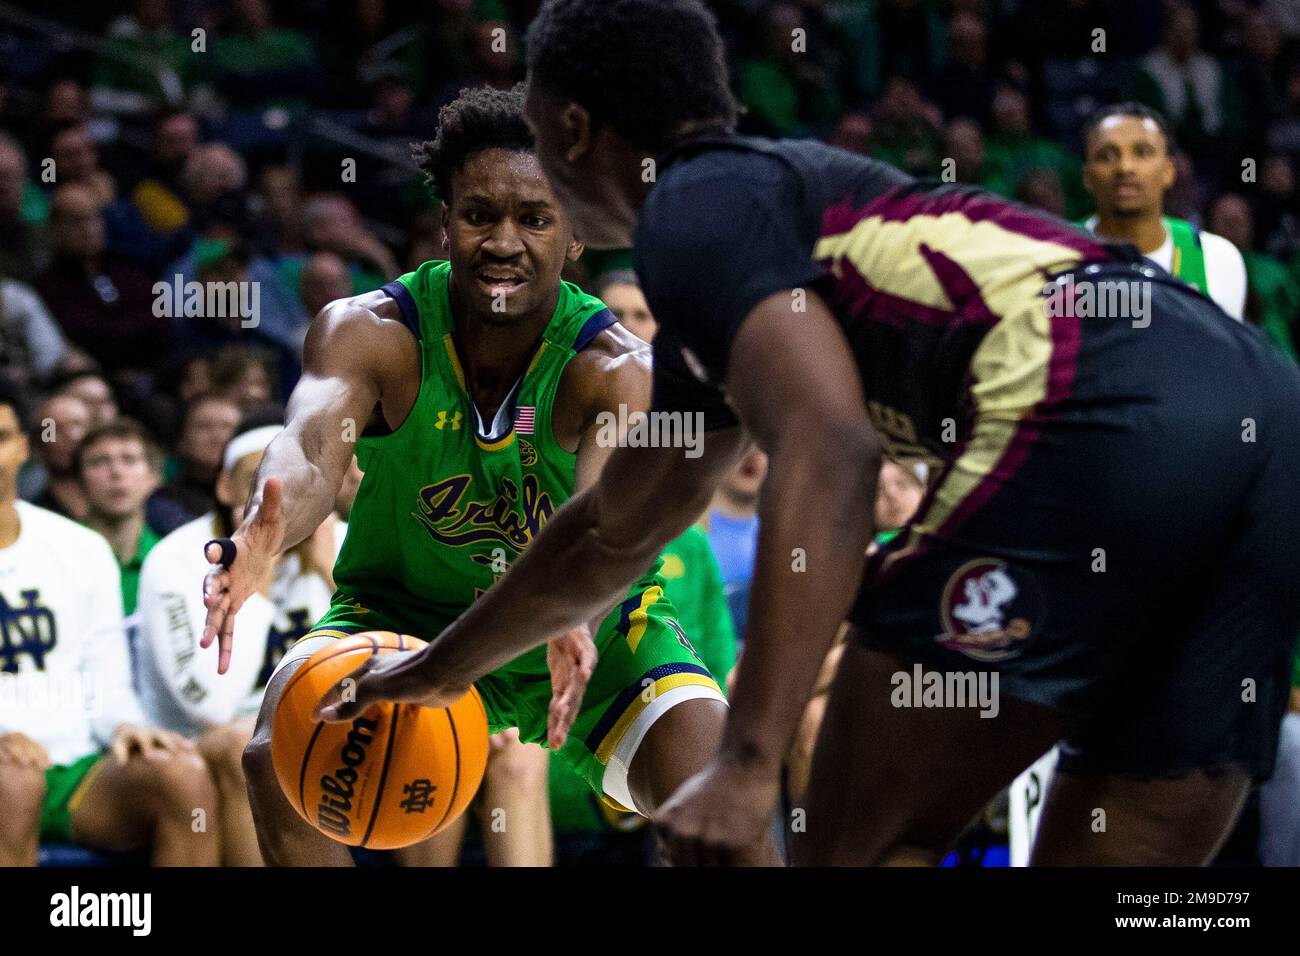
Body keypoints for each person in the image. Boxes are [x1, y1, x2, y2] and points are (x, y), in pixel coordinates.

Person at [316, 0, 1300, 868]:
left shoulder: (693, 207)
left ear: (570, 127)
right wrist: (439, 667)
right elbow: (607, 530)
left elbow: (831, 447)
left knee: (865, 842)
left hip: (1096, 402)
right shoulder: (764, 227)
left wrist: (748, 758)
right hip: (1263, 419)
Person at [200, 85, 764, 865]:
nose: (504, 240)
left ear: (573, 236)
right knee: (274, 757)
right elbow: (309, 448)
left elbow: (605, 516)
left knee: (722, 814)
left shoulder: (614, 369)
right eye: (479, 215)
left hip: (577, 628)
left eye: (533, 218)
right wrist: (266, 531)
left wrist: (578, 608)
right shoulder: (372, 333)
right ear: (444, 223)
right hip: (397, 616)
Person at [0, 377, 219, 866]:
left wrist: (126, 725)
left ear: (22, 448)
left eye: (0, 438)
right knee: (14, 782)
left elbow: (105, 673)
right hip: (7, 771)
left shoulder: (78, 548)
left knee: (181, 773)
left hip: (75, 768)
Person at [136, 416, 342, 866]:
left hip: (322, 724)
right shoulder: (176, 559)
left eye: (295, 480)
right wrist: (258, 577)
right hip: (199, 739)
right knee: (249, 743)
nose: (279, 495)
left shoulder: (340, 544)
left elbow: (394, 660)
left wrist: (330, 573)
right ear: (226, 488)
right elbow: (211, 706)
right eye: (259, 479)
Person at [1081, 102, 1247, 320]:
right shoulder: (1054, 256)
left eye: (1142, 152)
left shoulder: (1217, 257)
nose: (1125, 168)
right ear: (1087, 176)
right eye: (1107, 156)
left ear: (1169, 171)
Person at [76, 418, 163, 617]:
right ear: (79, 480)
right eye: (99, 462)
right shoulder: (58, 556)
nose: (116, 472)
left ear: (154, 476)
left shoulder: (173, 560)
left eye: (129, 459)